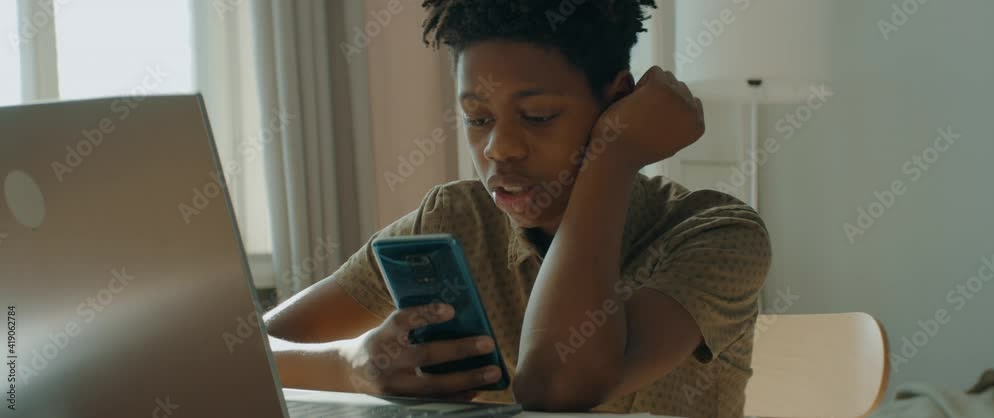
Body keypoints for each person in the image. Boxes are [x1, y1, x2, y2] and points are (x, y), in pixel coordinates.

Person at [264, 1, 771, 416]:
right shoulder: (455, 220)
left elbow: (555, 387)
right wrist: (352, 364)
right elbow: (240, 352)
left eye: (538, 116)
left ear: (617, 102)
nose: (499, 149)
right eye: (477, 119)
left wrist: (612, 156)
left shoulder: (717, 237)